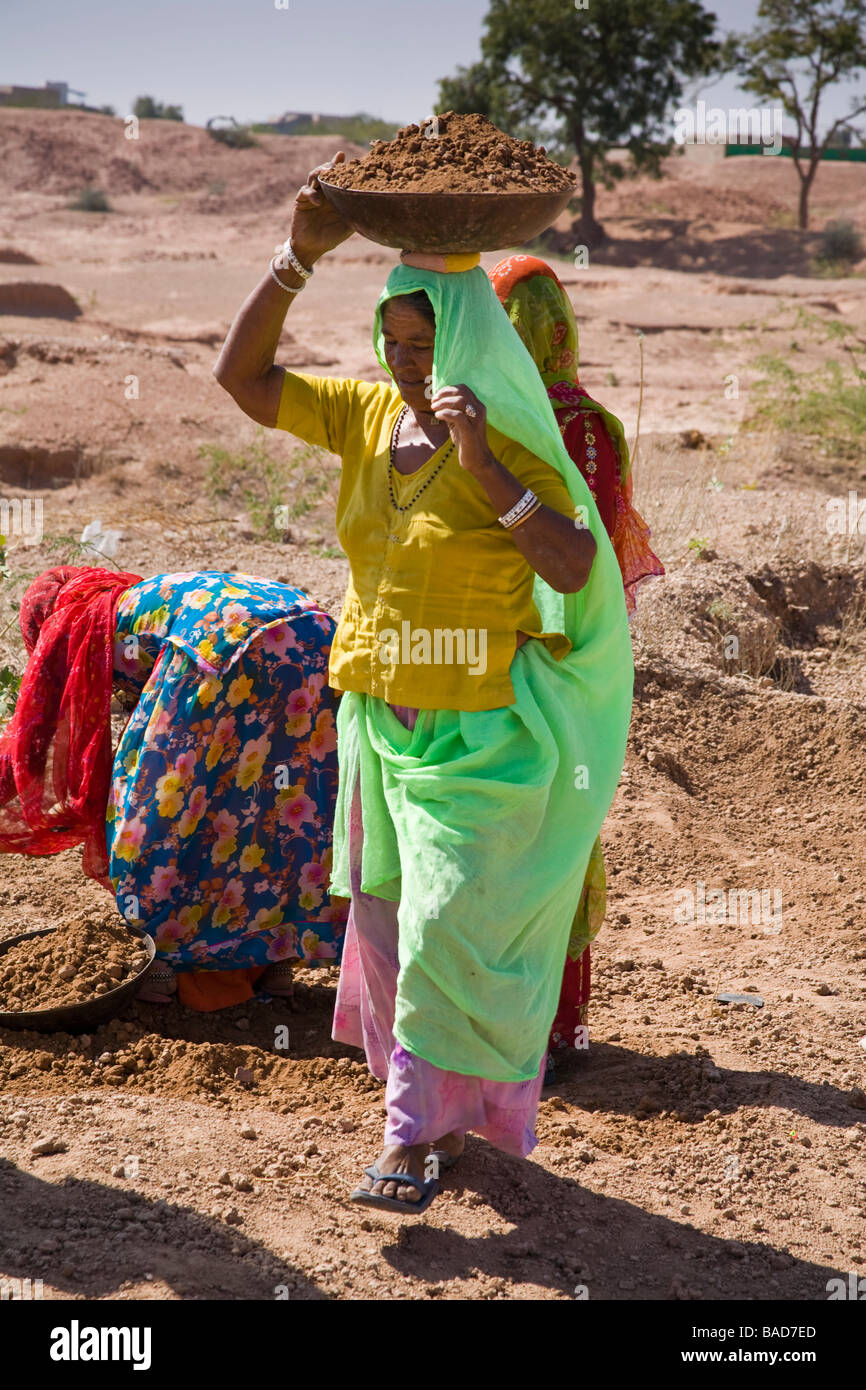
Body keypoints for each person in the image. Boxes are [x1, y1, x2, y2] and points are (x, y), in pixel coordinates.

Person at [213, 153, 633, 1211]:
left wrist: (483, 462)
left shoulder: (515, 443)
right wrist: (294, 259)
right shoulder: (363, 419)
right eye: (392, 345)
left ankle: (407, 1140)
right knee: (393, 929)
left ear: (466, 343)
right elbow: (243, 381)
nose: (406, 365)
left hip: (477, 732)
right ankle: (437, 1124)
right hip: (377, 718)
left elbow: (580, 568)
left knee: (449, 928)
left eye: (426, 344)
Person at [0, 566, 346, 1010]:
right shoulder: (146, 595)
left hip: (221, 649)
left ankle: (161, 963)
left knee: (154, 814)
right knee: (283, 804)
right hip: (319, 642)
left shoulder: (78, 622)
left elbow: (37, 741)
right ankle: (275, 961)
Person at [490, 254, 664, 1076]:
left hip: (510, 649)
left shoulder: (502, 420)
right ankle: (553, 1030)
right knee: (557, 830)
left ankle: (505, 1030)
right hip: (575, 658)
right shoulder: (590, 422)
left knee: (515, 829)